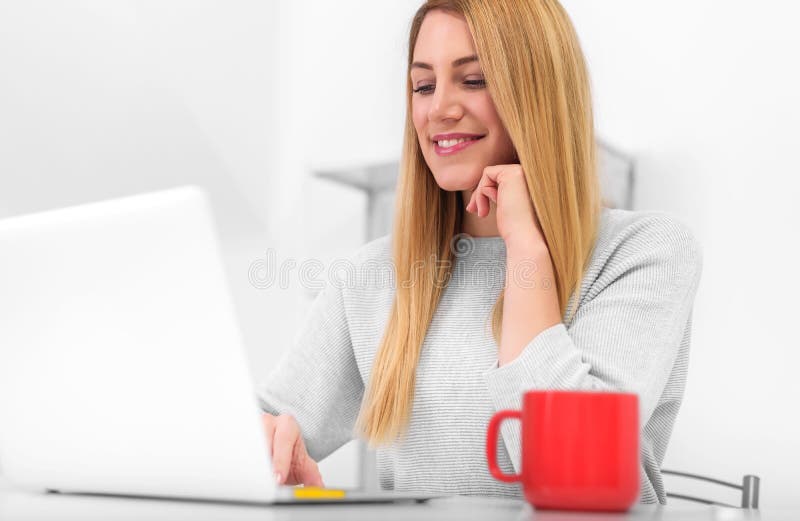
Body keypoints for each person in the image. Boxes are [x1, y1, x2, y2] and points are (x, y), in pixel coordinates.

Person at [257, 0, 702, 504]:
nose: (439, 108)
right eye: (423, 86)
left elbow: (575, 477)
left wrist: (526, 252)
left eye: (473, 80)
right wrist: (274, 455)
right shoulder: (373, 276)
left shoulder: (643, 253)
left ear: (538, 95)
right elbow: (266, 421)